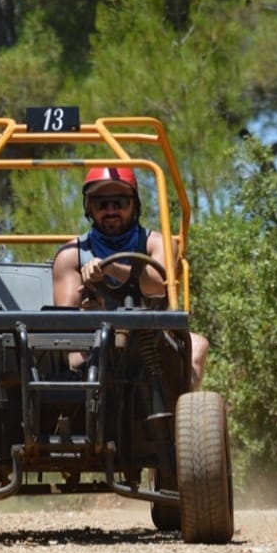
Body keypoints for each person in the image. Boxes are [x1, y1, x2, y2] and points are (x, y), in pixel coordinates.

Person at [51, 167, 210, 390]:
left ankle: (178, 409)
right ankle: (80, 407)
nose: (111, 210)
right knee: (72, 357)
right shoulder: (71, 255)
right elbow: (64, 324)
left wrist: (109, 268)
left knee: (198, 346)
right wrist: (90, 310)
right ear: (89, 207)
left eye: (120, 202)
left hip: (152, 338)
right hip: (95, 340)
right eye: (101, 203)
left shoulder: (157, 243)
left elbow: (158, 285)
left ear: (134, 204)